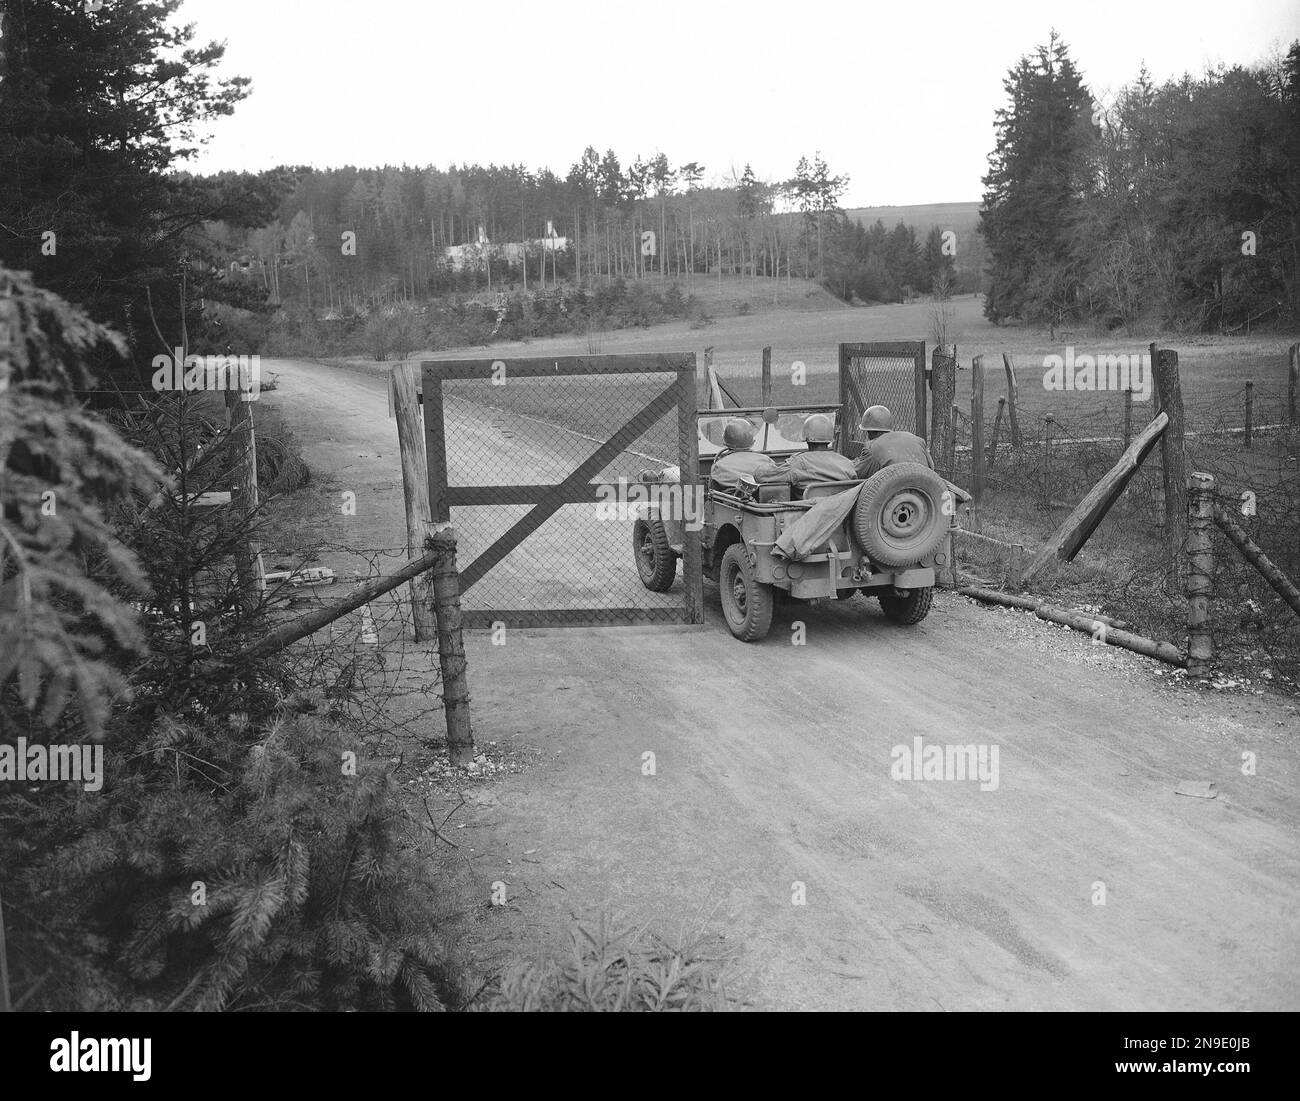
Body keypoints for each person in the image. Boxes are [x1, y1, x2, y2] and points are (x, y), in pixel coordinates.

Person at [756, 413, 857, 489]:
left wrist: (766, 463)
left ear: (806, 439)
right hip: (842, 512)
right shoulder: (848, 464)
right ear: (830, 438)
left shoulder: (798, 463)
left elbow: (761, 475)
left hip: (808, 513)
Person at [852, 405, 934, 479]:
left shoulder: (871, 447)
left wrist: (855, 462)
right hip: (925, 489)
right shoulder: (918, 440)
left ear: (870, 432)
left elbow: (857, 474)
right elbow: (931, 467)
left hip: (894, 491)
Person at [708, 418, 773, 490]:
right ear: (753, 441)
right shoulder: (767, 461)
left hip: (729, 500)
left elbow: (712, 493)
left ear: (724, 441)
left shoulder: (719, 466)